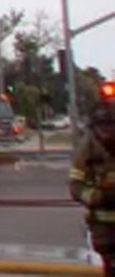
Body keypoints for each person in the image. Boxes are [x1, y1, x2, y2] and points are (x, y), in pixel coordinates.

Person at [70, 95, 115, 276]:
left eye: (110, 125)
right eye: (101, 126)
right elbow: (75, 185)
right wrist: (97, 196)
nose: (106, 131)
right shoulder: (87, 150)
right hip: (102, 226)